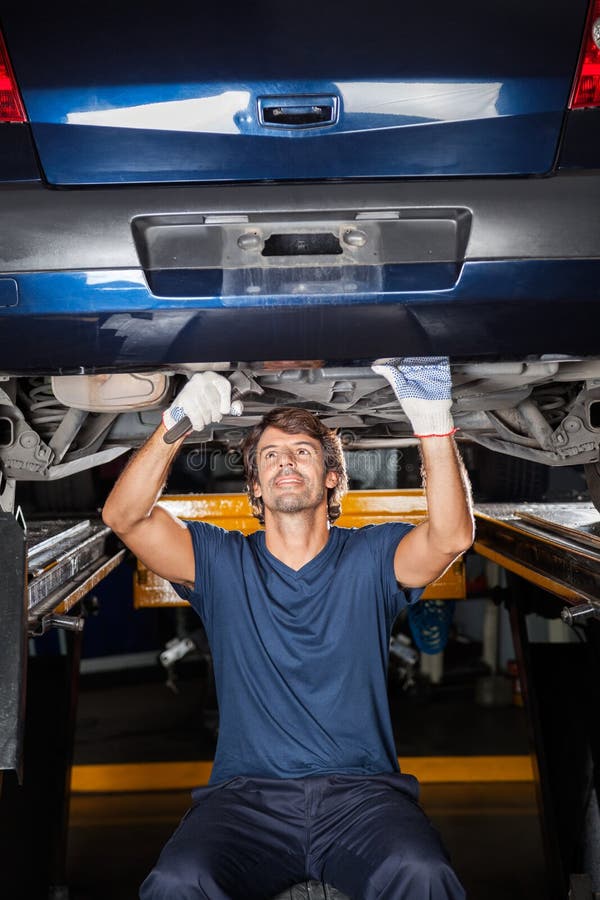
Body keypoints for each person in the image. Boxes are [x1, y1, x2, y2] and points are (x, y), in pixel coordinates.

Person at [101, 357, 474, 900]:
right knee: (178, 881)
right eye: (271, 455)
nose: (286, 463)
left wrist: (433, 425)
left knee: (422, 871)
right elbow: (124, 517)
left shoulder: (372, 556)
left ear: (331, 477)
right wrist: (175, 423)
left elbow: (451, 538)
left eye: (303, 451)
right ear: (254, 486)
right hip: (245, 803)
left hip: (362, 799)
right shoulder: (220, 562)